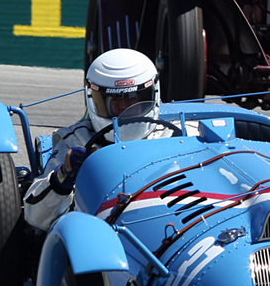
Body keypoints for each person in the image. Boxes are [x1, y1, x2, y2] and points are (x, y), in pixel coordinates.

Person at [22, 48, 170, 231]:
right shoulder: (75, 141)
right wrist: (63, 177)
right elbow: (33, 215)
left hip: (172, 221)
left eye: (133, 99)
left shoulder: (180, 134)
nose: (125, 107)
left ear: (153, 94)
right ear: (96, 100)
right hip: (101, 235)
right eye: (115, 100)